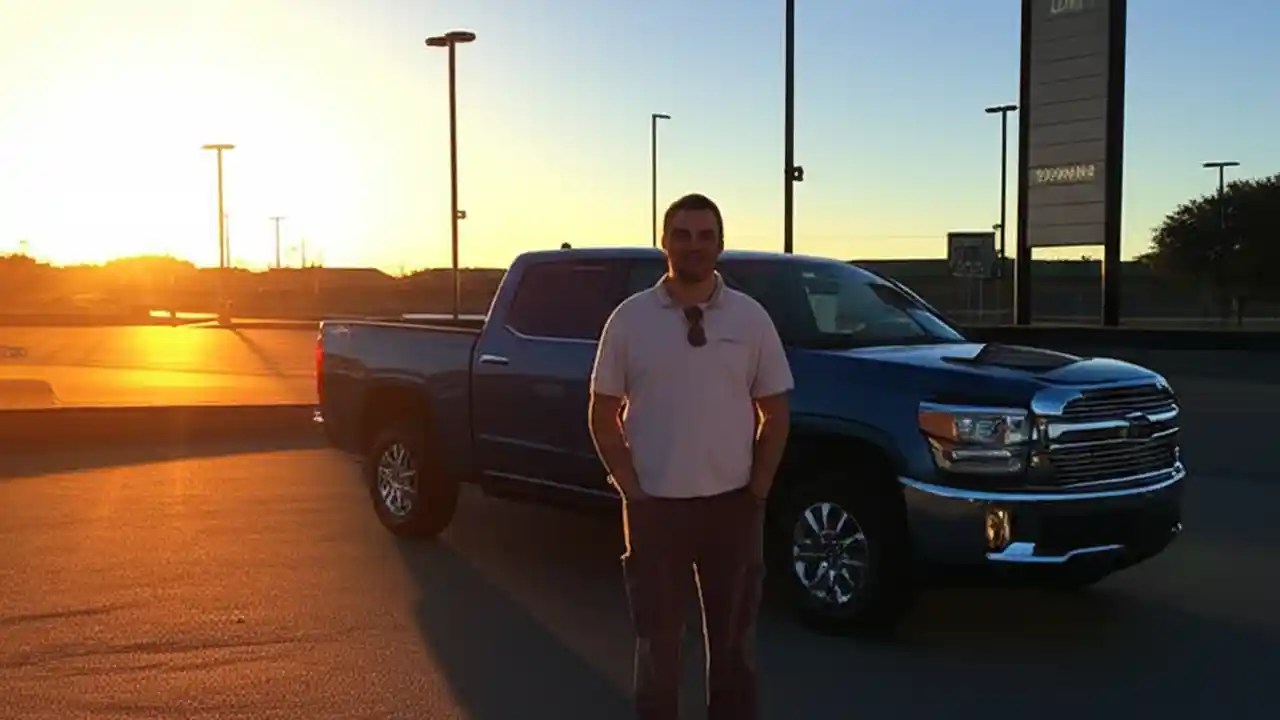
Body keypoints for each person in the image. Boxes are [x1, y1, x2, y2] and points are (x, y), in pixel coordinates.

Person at [588, 192, 793, 720]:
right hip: (655, 509)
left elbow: (776, 413)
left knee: (733, 649)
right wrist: (633, 490)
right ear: (664, 242)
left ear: (721, 244)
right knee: (658, 649)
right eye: (682, 234)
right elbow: (602, 413)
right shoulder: (629, 321)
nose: (694, 246)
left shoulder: (751, 320)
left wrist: (759, 492)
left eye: (706, 236)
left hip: (733, 509)